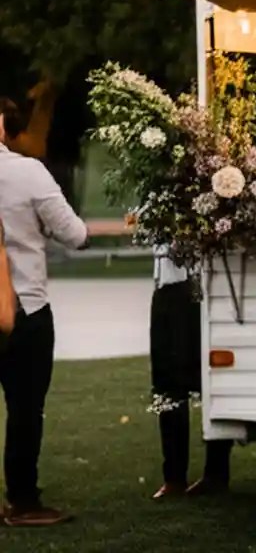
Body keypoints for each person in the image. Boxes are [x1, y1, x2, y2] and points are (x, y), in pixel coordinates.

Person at [0, 96, 87, 526]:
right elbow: (75, 234)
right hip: (24, 307)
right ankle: (23, 501)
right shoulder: (26, 172)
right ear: (3, 125)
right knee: (24, 408)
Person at [148, 246, 233, 499]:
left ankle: (216, 473)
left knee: (209, 379)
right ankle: (174, 476)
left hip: (198, 284)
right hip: (165, 286)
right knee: (166, 384)